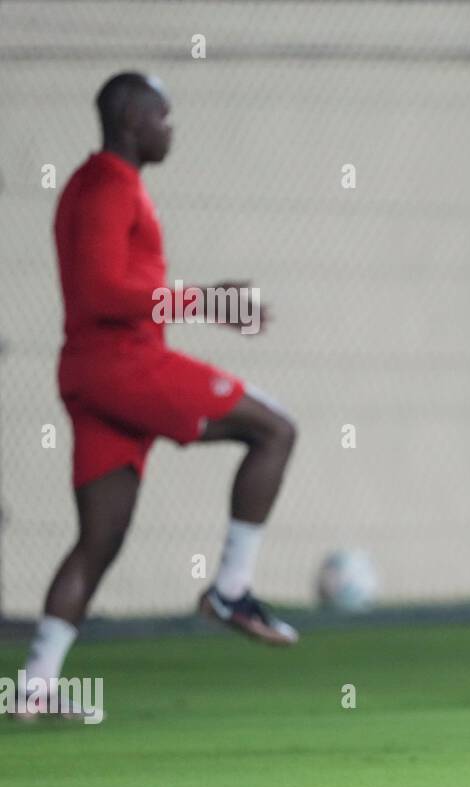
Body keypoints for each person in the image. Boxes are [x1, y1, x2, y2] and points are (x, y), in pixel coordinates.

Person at [17, 72, 298, 720]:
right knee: (276, 429)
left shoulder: (101, 184)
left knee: (100, 539)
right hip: (124, 366)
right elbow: (101, 295)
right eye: (163, 116)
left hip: (92, 376)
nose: (170, 128)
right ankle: (231, 590)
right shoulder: (109, 186)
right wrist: (209, 299)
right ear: (130, 120)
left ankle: (34, 686)